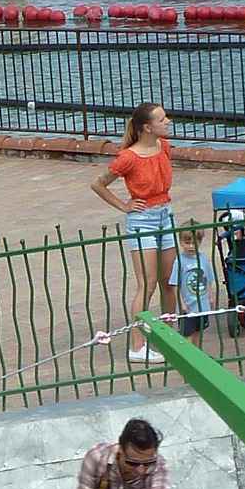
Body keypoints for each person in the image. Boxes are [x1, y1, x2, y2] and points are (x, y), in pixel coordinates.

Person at [92, 101, 176, 365]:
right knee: (147, 283)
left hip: (165, 212)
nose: (167, 122)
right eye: (162, 120)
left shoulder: (164, 146)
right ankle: (137, 345)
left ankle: (169, 336)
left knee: (169, 281)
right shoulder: (128, 157)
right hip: (143, 220)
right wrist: (125, 206)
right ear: (147, 127)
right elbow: (99, 183)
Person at [174, 220, 212, 340]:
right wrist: (182, 303)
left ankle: (197, 354)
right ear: (181, 242)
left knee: (198, 331)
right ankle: (187, 357)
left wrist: (210, 296)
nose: (191, 246)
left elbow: (209, 279)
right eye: (187, 242)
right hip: (188, 306)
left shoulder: (204, 258)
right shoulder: (179, 261)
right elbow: (175, 285)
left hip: (202, 305)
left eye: (195, 243)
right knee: (187, 334)